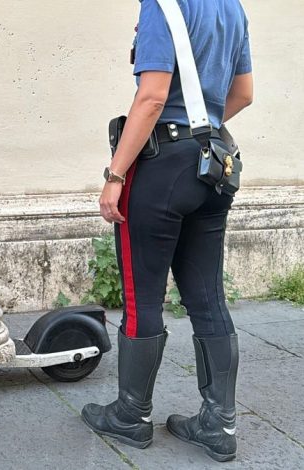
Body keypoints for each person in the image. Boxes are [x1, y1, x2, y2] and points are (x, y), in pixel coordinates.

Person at [80, 0, 252, 462]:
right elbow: (243, 94)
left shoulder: (163, 5)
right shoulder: (232, 8)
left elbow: (153, 96)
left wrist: (114, 176)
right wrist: (200, 128)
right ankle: (219, 424)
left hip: (163, 169)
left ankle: (131, 416)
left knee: (143, 297)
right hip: (214, 163)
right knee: (207, 296)